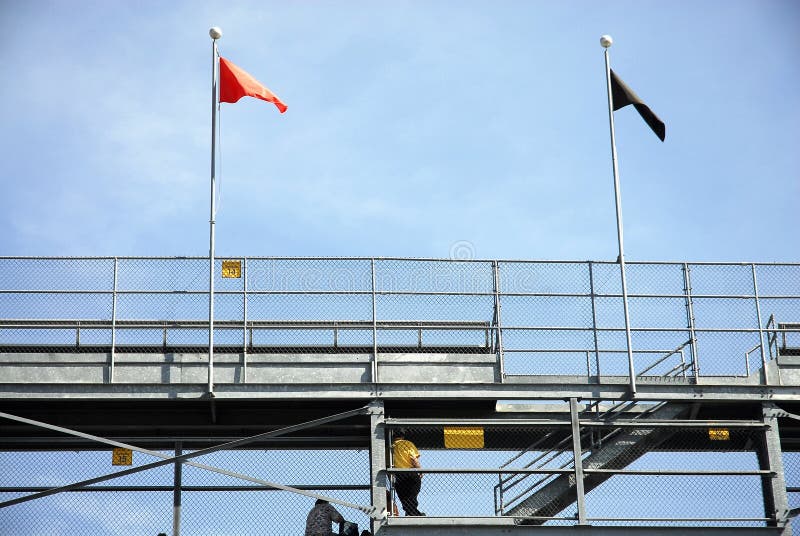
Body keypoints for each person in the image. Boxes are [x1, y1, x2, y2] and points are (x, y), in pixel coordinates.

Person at [391, 428, 425, 516]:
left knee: (404, 497)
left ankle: (410, 512)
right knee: (412, 495)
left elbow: (388, 463)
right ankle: (414, 514)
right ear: (403, 435)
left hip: (398, 475)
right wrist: (420, 470)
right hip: (410, 473)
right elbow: (413, 459)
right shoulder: (407, 444)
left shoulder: (391, 446)